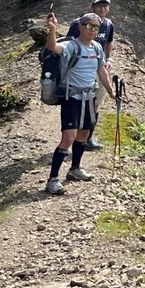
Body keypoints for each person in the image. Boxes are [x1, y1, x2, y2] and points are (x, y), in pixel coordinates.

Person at [42, 11, 118, 195]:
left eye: (96, 27)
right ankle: (52, 179)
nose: (92, 30)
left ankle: (75, 169)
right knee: (68, 137)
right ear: (81, 27)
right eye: (89, 26)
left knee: (84, 134)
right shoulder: (71, 45)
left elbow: (101, 71)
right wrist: (52, 29)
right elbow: (53, 48)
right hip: (71, 97)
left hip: (89, 97)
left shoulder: (97, 48)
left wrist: (110, 91)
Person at [65, 0, 115, 151]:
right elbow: (68, 44)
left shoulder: (108, 24)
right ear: (92, 6)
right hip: (81, 70)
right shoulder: (79, 23)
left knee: (96, 103)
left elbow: (109, 42)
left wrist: (108, 59)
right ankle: (72, 139)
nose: (102, 8)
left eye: (105, 5)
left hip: (99, 69)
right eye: (99, 5)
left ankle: (88, 137)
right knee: (78, 103)